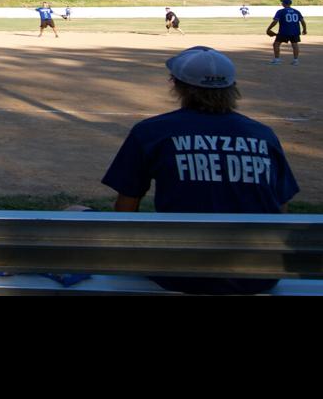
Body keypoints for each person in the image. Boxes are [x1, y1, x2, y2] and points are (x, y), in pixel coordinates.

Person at [100, 45, 299, 295]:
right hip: (258, 274)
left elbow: (126, 208)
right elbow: (280, 206)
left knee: (76, 211)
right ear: (232, 86)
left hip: (182, 274)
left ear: (176, 84)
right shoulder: (263, 134)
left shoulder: (151, 132)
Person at [267, 0, 306, 65]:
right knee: (295, 45)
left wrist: (269, 28)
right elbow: (302, 21)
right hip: (295, 31)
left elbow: (275, 21)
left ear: (284, 4)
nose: (281, 3)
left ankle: (277, 60)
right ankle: (296, 60)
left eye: (282, 2)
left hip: (284, 31)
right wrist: (304, 29)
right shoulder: (296, 11)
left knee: (276, 44)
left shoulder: (281, 11)